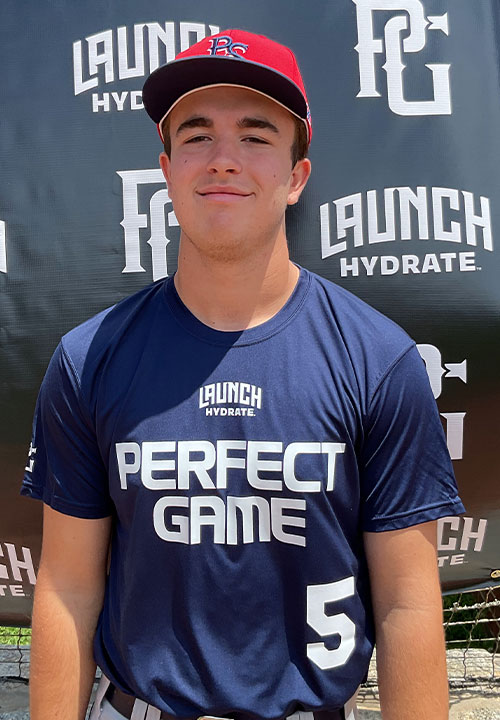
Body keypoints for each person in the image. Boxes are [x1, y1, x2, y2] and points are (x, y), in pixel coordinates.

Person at [22, 28, 464, 720]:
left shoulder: (380, 361)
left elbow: (406, 603)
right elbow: (66, 590)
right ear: (167, 170)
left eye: (256, 137)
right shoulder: (89, 358)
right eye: (197, 136)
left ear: (296, 177)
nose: (223, 159)